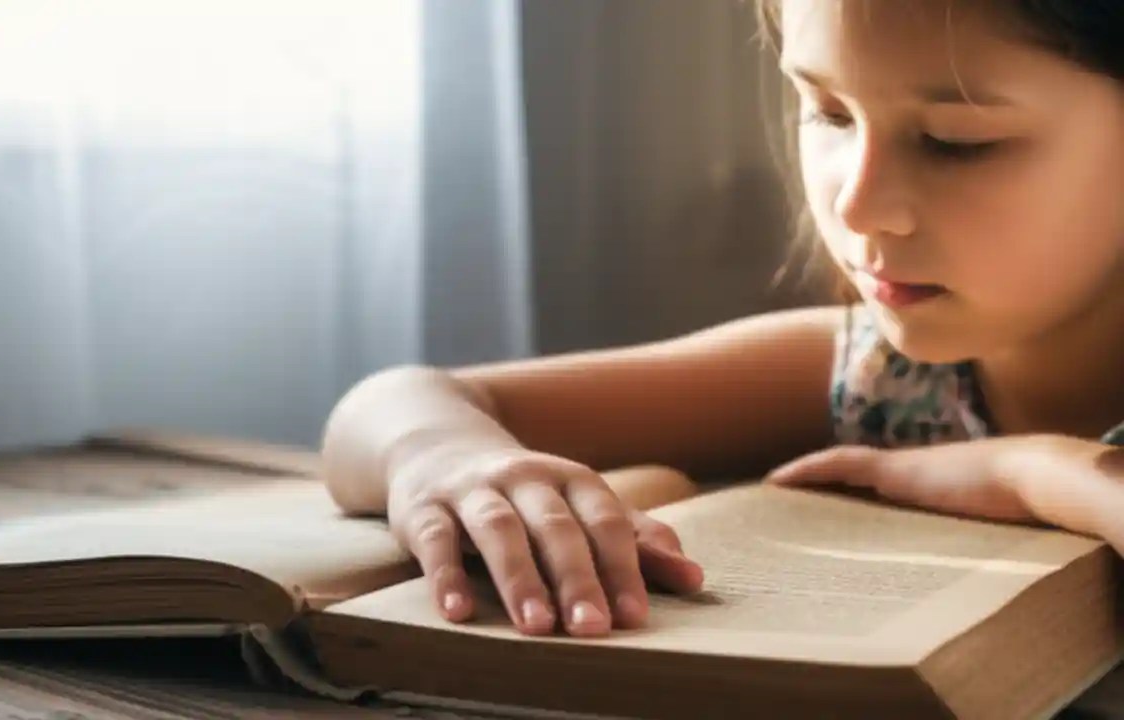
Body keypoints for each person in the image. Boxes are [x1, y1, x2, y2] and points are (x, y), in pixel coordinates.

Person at [320, 0, 1124, 639]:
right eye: (829, 112)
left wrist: (1038, 473)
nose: (859, 205)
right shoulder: (883, 378)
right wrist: (444, 459)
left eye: (956, 142)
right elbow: (394, 402)